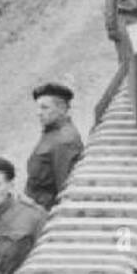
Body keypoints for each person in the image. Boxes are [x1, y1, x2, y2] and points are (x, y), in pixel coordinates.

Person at [25, 82, 83, 211]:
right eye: (38, 108)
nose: (38, 113)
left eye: (44, 108)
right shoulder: (52, 133)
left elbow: (65, 192)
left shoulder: (64, 142)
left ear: (62, 109)